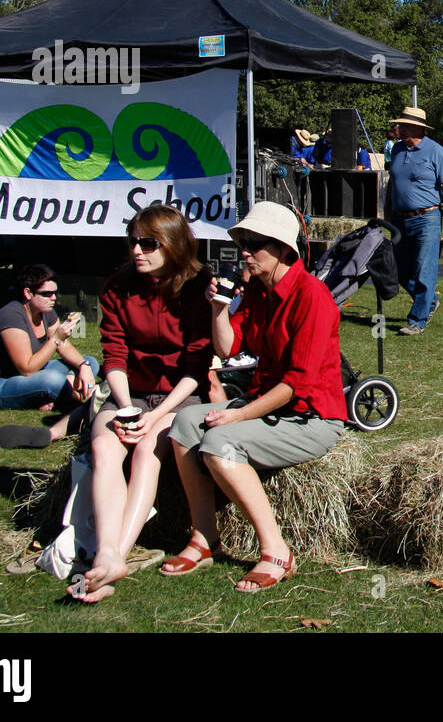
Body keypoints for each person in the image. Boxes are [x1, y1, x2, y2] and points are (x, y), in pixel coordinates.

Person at [162, 202, 346, 593]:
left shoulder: (312, 297)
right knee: (182, 424)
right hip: (267, 404)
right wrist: (218, 309)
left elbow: (295, 385)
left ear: (282, 248)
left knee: (217, 443)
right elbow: (228, 349)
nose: (245, 251)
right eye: (243, 242)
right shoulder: (260, 292)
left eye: (255, 243)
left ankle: (276, 551)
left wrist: (238, 417)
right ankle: (204, 537)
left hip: (311, 417)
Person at [69, 205, 213, 603]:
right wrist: (126, 409)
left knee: (148, 450)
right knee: (103, 444)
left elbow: (198, 365)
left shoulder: (199, 286)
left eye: (148, 243)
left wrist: (158, 415)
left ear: (173, 243)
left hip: (179, 394)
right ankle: (107, 554)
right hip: (128, 391)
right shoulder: (117, 286)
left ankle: (117, 553)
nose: (137, 250)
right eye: (132, 241)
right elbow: (113, 356)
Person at [0, 265, 98, 419]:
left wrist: (83, 366)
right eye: (47, 294)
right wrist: (56, 338)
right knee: (52, 380)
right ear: (28, 293)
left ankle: (52, 394)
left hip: (26, 375)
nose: (53, 298)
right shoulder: (11, 317)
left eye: (54, 293)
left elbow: (64, 347)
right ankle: (75, 395)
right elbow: (27, 369)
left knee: (90, 362)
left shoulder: (45, 311)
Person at [387, 106, 443, 335]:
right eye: (399, 125)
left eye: (404, 125)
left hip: (427, 217)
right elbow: (393, 183)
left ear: (418, 128)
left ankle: (417, 320)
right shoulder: (398, 149)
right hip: (399, 219)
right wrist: (387, 213)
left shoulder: (435, 151)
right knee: (399, 270)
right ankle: (429, 302)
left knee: (423, 269)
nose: (399, 129)